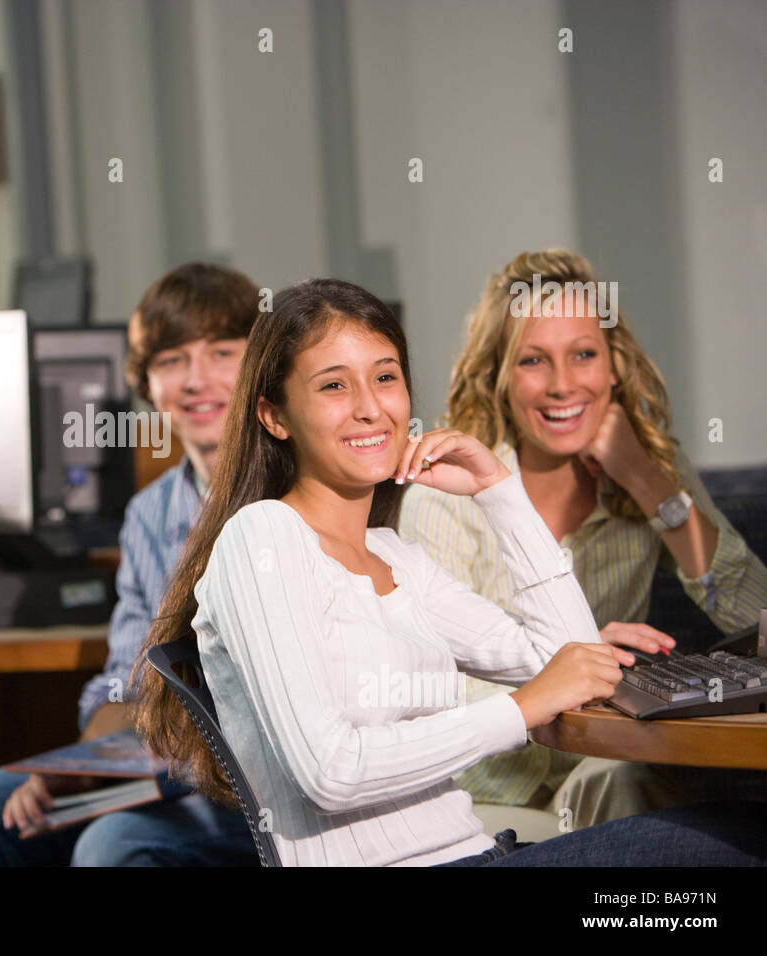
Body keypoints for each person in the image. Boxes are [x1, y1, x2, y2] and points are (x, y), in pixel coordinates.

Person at [131, 278, 767, 866]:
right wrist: (521, 710)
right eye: (332, 385)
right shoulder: (263, 538)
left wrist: (499, 491)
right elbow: (332, 772)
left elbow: (570, 659)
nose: (368, 408)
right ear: (274, 415)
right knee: (728, 848)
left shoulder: (396, 557)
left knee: (735, 838)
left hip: (481, 855)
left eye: (385, 377)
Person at [398, 249, 767, 824]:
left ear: (615, 365)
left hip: (596, 772)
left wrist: (648, 483)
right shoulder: (445, 497)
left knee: (628, 783)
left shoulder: (654, 471)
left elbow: (756, 610)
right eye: (533, 361)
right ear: (498, 376)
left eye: (584, 355)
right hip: (476, 798)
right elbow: (426, 694)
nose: (562, 385)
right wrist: (565, 658)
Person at [0, 263, 261, 866]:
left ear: (258, 367)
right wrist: (78, 770)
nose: (196, 381)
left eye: (222, 353)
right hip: (157, 768)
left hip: (254, 783)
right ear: (148, 385)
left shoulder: (289, 494)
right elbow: (122, 686)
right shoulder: (149, 514)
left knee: (111, 845)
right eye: (172, 360)